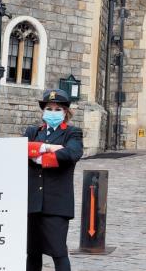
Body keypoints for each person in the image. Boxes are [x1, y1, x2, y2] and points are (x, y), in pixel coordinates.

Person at [25, 89, 84, 271]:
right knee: (32, 253)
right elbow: (21, 148)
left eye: (58, 108)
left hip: (57, 204)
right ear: (43, 111)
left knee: (59, 253)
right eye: (49, 108)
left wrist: (40, 158)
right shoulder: (33, 131)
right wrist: (48, 147)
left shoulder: (72, 133)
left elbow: (71, 153)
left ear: (65, 112)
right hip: (32, 203)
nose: (53, 112)